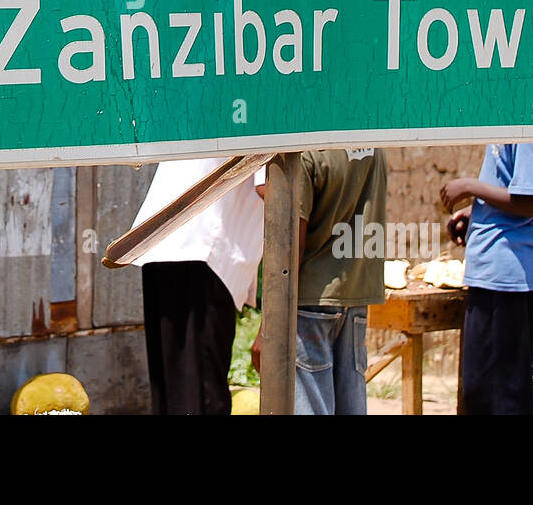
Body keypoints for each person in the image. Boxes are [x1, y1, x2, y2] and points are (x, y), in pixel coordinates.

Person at [252, 147, 387, 415]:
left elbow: (292, 246)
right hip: (356, 296)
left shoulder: (308, 151)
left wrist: (268, 328)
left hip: (310, 302)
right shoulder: (374, 145)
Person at [441, 142, 533, 415]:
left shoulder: (525, 121)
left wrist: (470, 187)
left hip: (507, 276)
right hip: (509, 275)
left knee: (498, 399)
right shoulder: (521, 117)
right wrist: (477, 213)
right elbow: (519, 190)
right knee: (494, 395)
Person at [132, 157, 264, 415]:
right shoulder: (276, 117)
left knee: (174, 396)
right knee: (201, 397)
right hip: (205, 248)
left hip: (164, 237)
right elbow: (270, 186)